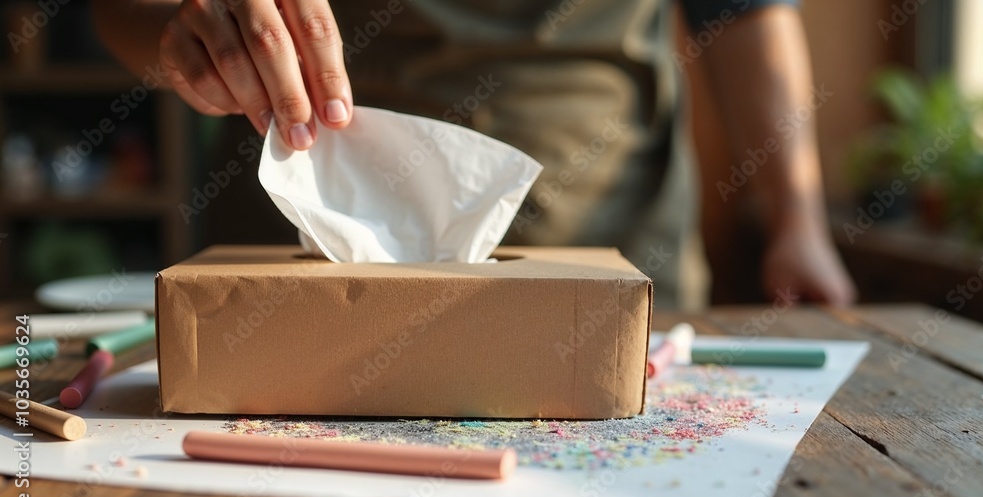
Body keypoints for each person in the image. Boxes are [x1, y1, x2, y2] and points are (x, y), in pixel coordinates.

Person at [92, 0, 856, 308]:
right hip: (297, 300)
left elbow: (746, 13)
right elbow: (123, 11)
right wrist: (181, 34)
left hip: (611, 278)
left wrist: (799, 221)